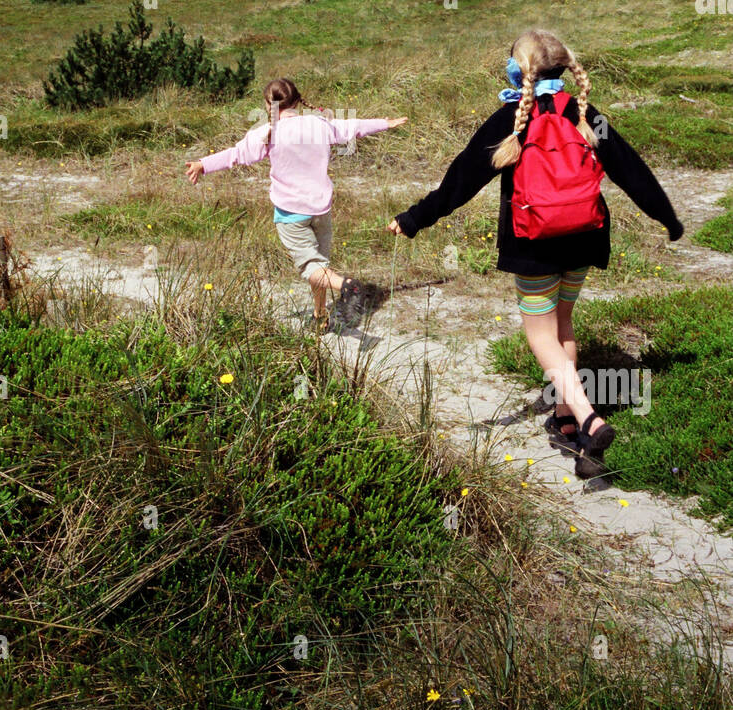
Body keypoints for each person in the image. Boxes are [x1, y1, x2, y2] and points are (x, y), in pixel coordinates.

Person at [388, 29, 684, 477]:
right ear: (564, 68)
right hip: (584, 237)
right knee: (563, 324)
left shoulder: (510, 118)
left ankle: (587, 417)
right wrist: (667, 217)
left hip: (533, 243)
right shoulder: (586, 114)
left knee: (541, 333)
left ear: (517, 69)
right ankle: (567, 423)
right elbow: (631, 170)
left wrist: (413, 219)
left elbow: (460, 181)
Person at [187, 77, 406, 330]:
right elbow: (352, 126)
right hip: (321, 210)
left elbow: (235, 155)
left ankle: (348, 286)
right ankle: (319, 316)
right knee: (320, 267)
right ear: (297, 100)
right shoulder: (319, 124)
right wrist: (385, 123)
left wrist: (203, 164)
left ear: (269, 105)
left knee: (311, 268)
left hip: (291, 215)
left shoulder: (267, 132)